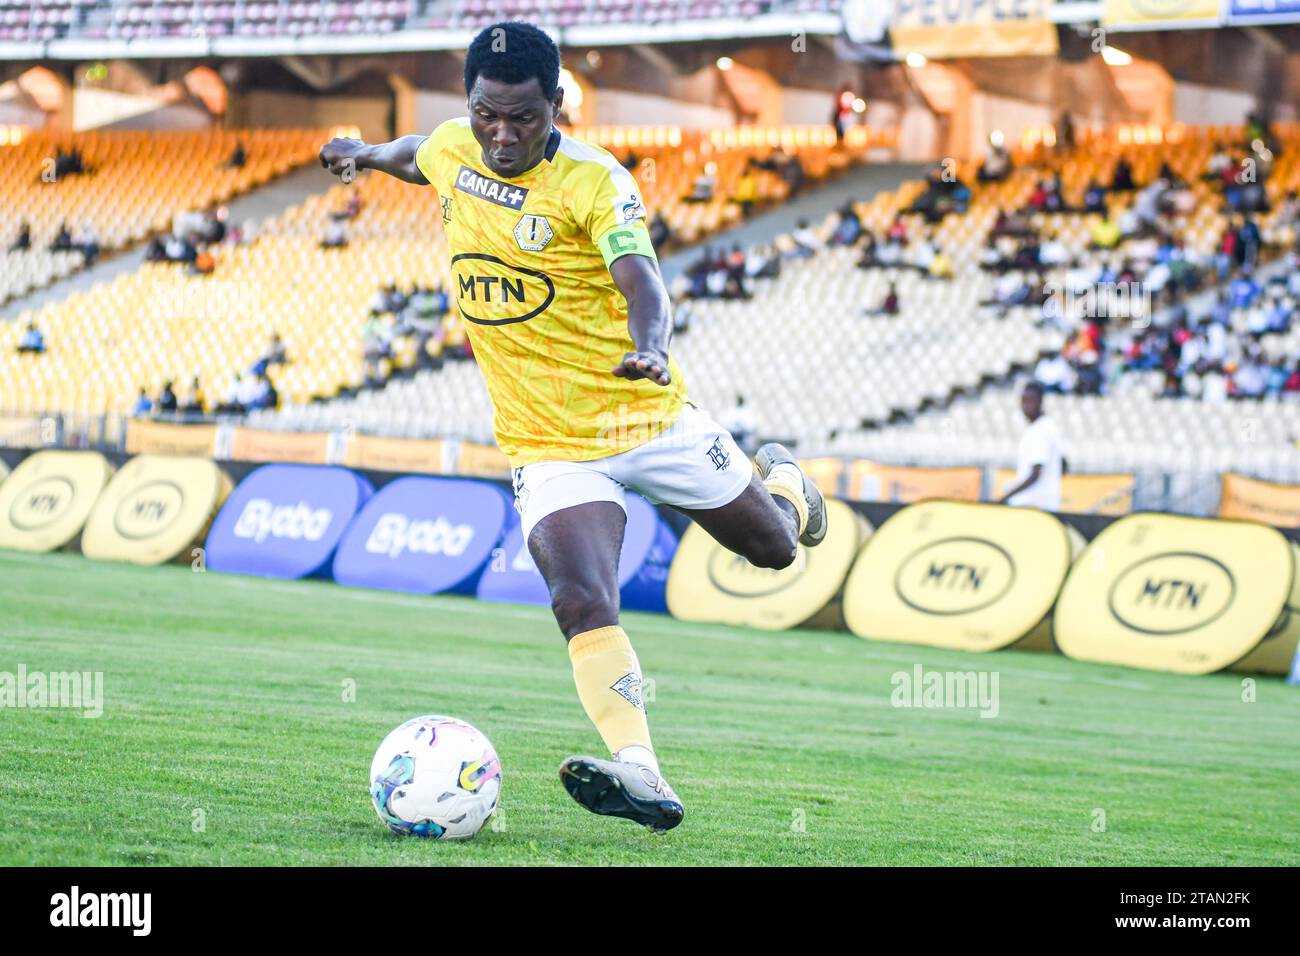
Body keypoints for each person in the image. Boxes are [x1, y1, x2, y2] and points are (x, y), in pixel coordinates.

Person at [319, 20, 828, 834]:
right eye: (488, 114)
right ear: (470, 103)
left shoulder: (597, 181)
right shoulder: (456, 146)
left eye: (524, 117)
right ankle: (643, 771)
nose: (503, 134)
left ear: (556, 105)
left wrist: (651, 349)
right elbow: (418, 153)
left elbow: (643, 282)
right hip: (547, 443)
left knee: (773, 550)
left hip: (642, 411)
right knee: (580, 598)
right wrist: (365, 152)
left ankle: (789, 497)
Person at [999, 382, 1065, 511]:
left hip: (1034, 506)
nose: (1026, 406)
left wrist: (1006, 497)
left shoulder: (1040, 430)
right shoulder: (1048, 427)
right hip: (1040, 505)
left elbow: (1035, 473)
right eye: (1024, 401)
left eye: (1030, 401)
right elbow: (1064, 464)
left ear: (1040, 402)